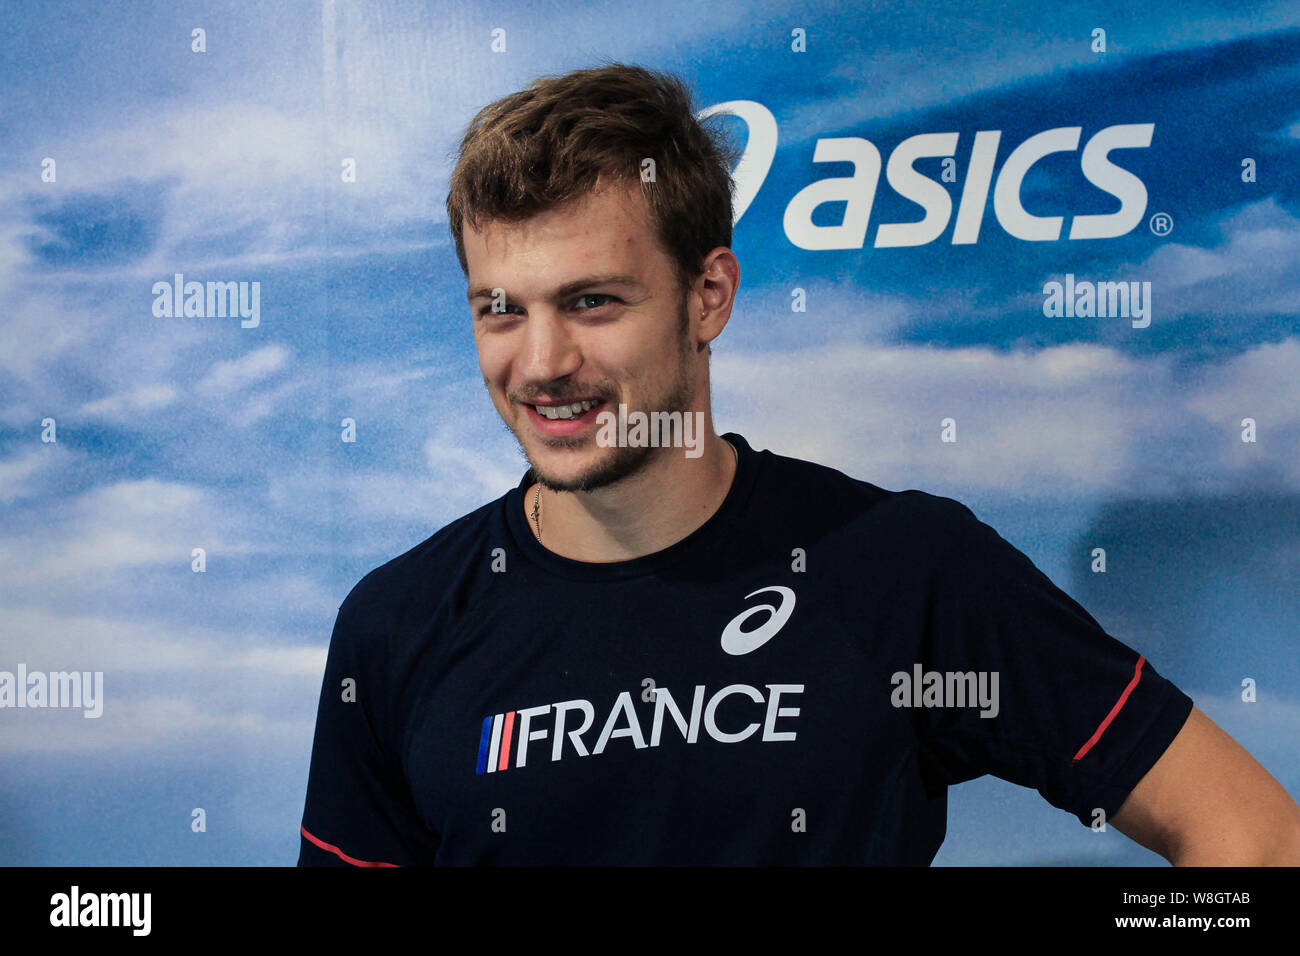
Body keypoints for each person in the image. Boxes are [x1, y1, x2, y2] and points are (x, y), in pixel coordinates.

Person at [297, 62, 1300, 866]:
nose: (543, 360)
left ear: (707, 297)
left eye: (593, 301)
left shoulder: (905, 568)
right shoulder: (397, 625)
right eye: (500, 309)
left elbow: (1252, 834)